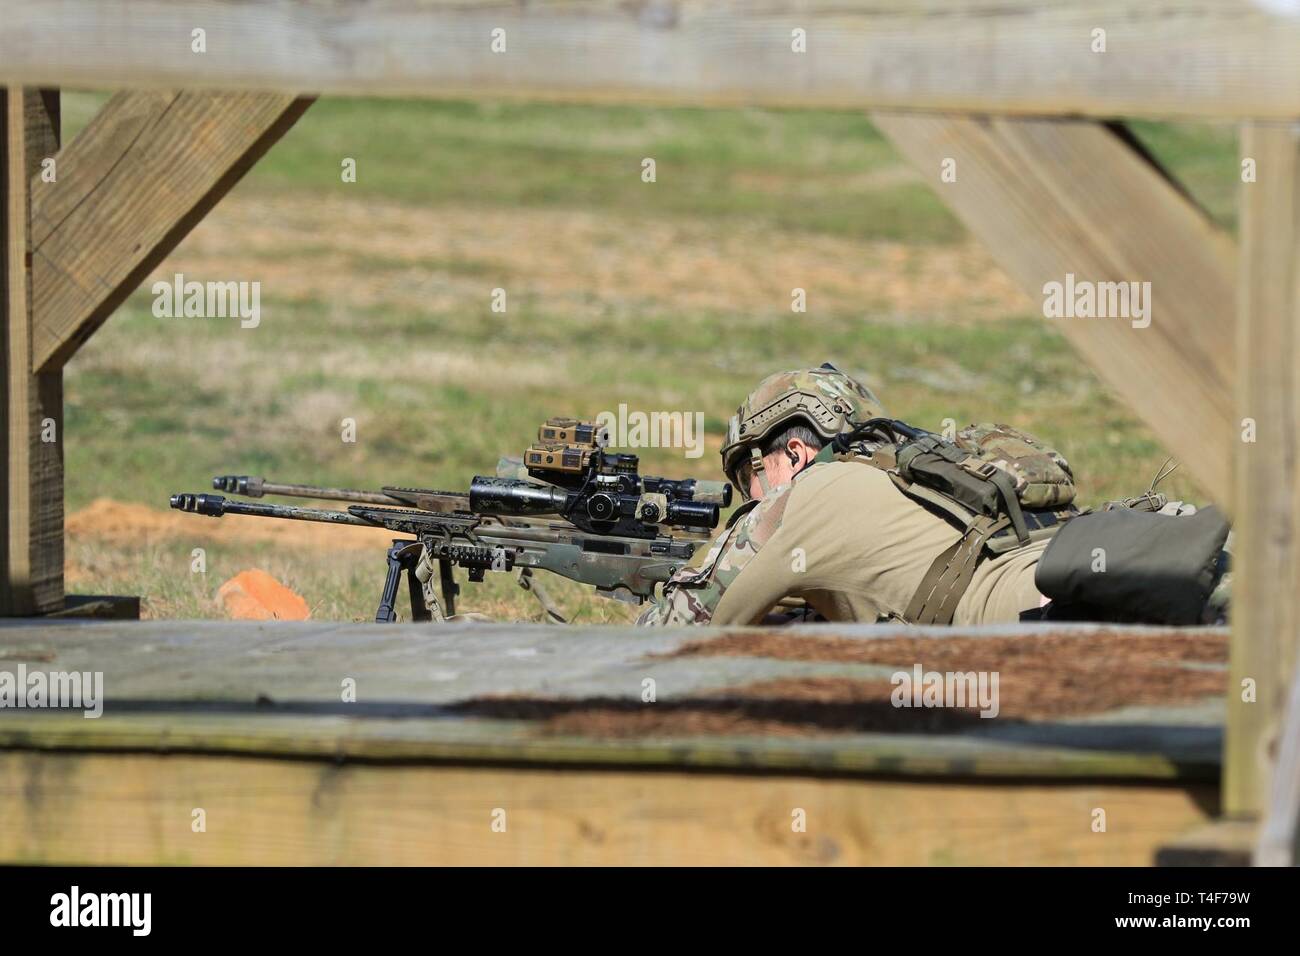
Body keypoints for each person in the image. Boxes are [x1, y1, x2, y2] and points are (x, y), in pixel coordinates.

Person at [636, 363, 1228, 627]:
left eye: (751, 477)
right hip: (1141, 568)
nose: (751, 498)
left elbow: (666, 641)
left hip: (1062, 622)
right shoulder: (927, 476)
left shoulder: (807, 496)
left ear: (793, 455)